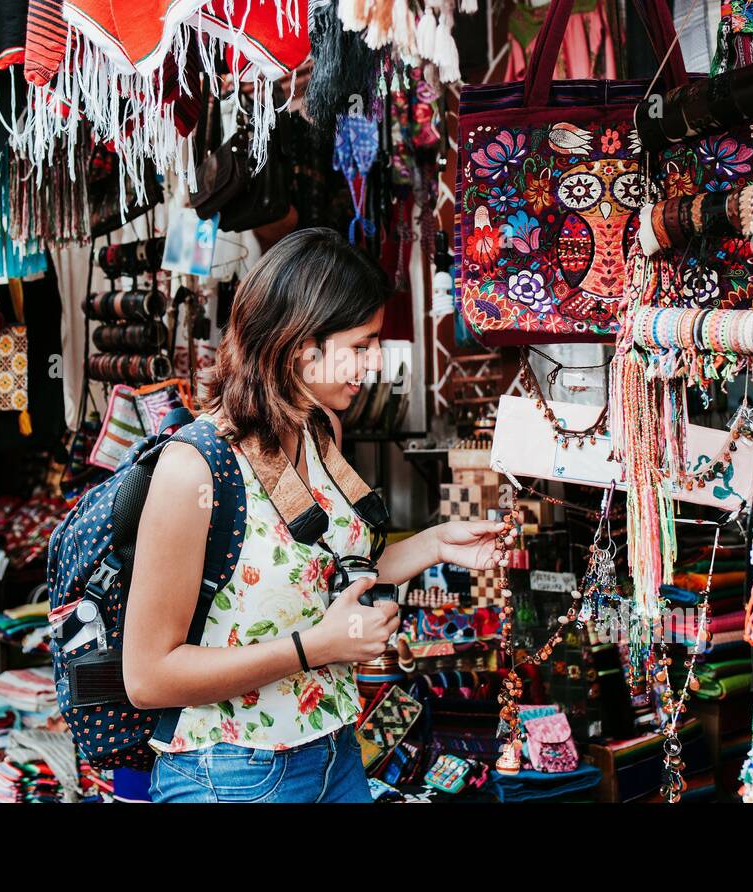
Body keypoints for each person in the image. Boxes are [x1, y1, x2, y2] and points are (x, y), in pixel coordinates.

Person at [123, 228, 512, 802]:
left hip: (334, 752)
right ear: (299, 343)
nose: (374, 362)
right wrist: (316, 649)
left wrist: (436, 543)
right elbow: (148, 677)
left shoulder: (317, 429)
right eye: (361, 344)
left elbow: (330, 568)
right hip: (230, 772)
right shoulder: (194, 469)